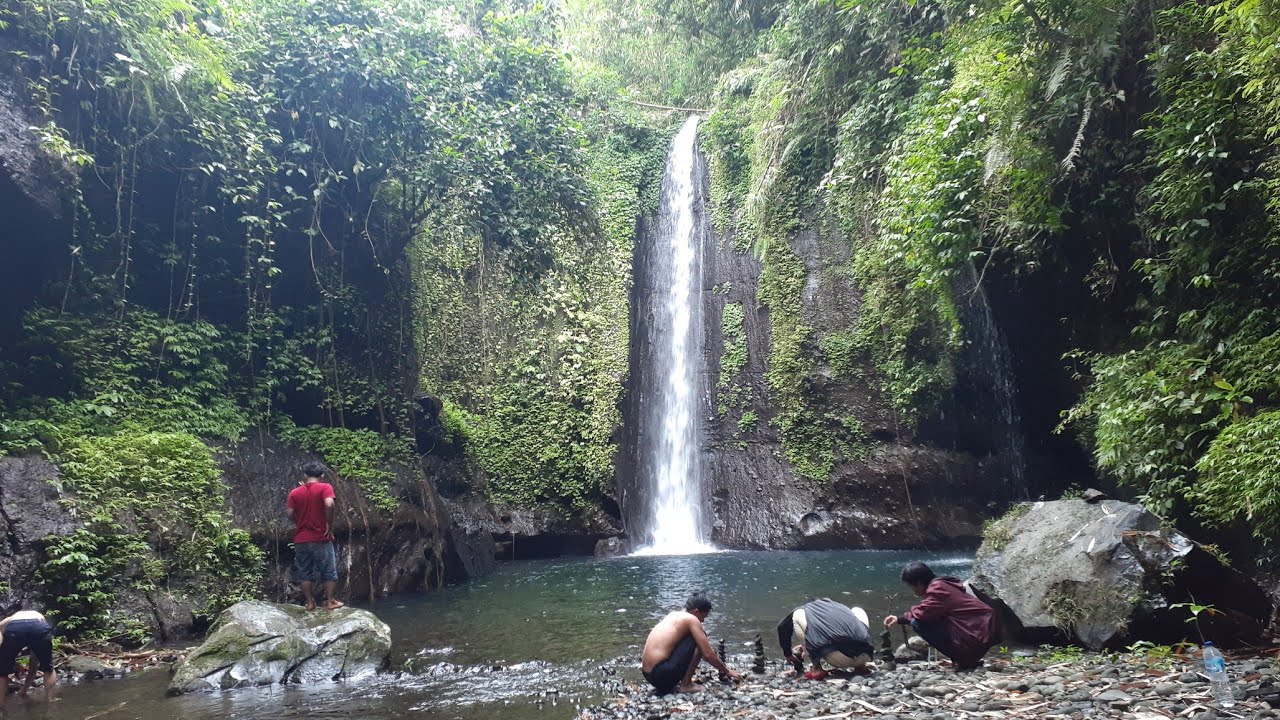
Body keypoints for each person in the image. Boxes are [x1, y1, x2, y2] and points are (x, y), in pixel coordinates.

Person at [884, 562, 996, 671]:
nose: (912, 590)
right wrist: (900, 619)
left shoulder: (937, 589)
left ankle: (965, 660)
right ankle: (968, 658)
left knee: (917, 623)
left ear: (919, 583)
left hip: (977, 633)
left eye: (911, 586)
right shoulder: (944, 584)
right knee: (929, 619)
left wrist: (901, 619)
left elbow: (922, 613)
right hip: (982, 629)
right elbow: (929, 610)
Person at [641, 593, 744, 694]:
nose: (703, 621)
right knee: (698, 639)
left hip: (649, 675)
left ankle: (679, 683)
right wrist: (727, 671)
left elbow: (702, 654)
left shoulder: (673, 615)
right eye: (704, 617)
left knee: (696, 639)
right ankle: (686, 685)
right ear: (696, 612)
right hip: (661, 676)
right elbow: (707, 654)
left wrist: (714, 660)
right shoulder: (692, 619)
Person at [286, 461, 343, 611]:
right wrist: (329, 525)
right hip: (321, 537)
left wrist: (299, 523)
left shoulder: (295, 493)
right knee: (328, 571)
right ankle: (330, 601)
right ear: (322, 475)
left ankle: (310, 603)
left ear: (305, 475)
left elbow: (290, 513)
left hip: (301, 539)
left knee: (305, 573)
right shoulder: (325, 487)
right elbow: (329, 504)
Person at [777, 598, 874, 679]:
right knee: (857, 610)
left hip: (838, 659)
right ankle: (860, 666)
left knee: (798, 614)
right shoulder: (839, 607)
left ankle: (817, 668)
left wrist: (788, 654)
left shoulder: (806, 608)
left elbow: (782, 626)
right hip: (865, 655)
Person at [0, 609, 56, 700]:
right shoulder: (38, 616)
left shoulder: (11, 618)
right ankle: (51, 700)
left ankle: (0, 707)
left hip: (15, 628)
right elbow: (33, 666)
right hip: (38, 627)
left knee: (2, 672)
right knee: (48, 668)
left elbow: (5, 654)